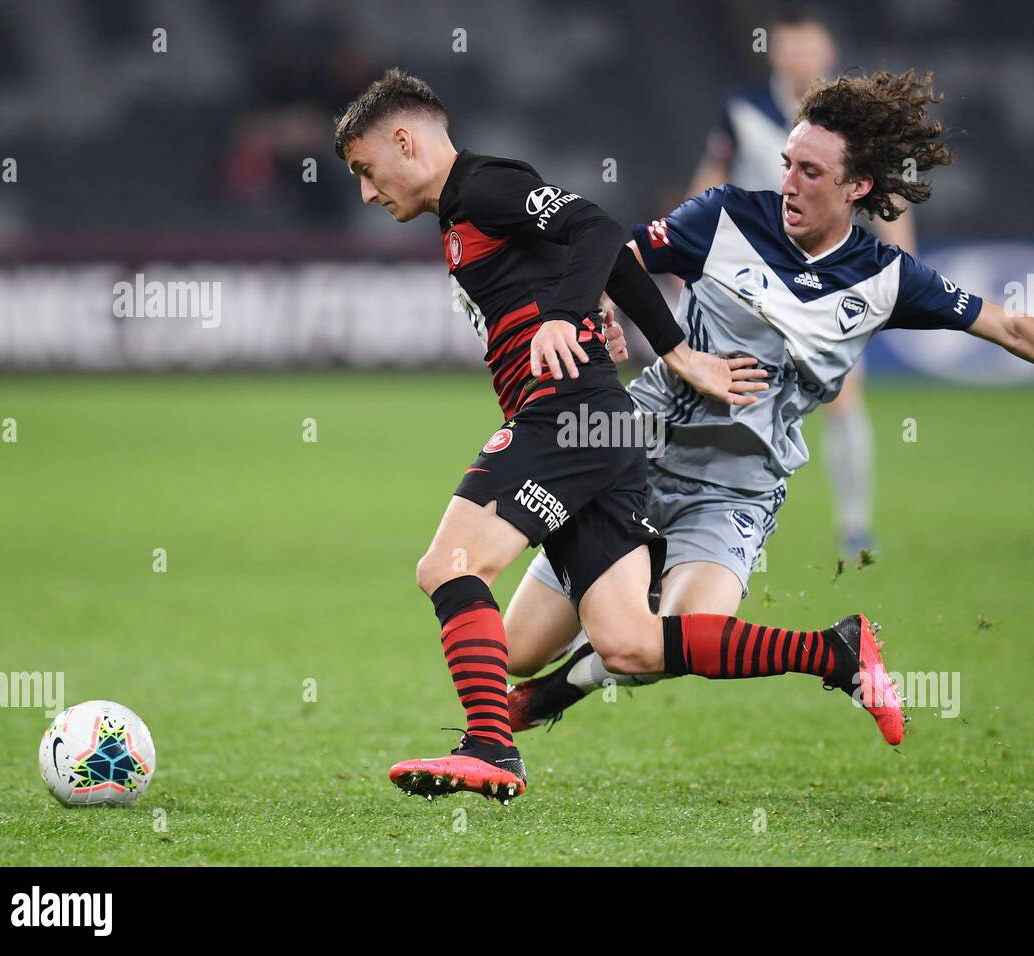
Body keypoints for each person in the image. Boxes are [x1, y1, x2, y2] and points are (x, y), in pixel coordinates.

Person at [504, 70, 1034, 733]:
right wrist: (593, 305)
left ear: (856, 188)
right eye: (788, 163)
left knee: (685, 637)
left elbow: (1013, 327)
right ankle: (550, 679)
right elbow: (616, 254)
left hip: (733, 492)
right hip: (637, 458)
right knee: (512, 650)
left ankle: (560, 692)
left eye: (811, 172)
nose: (789, 182)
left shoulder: (886, 279)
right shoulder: (724, 216)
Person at [334, 68, 910, 803]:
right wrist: (675, 351)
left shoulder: (480, 185)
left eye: (364, 169)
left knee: (448, 565)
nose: (365, 191)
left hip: (565, 417)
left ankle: (492, 747)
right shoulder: (461, 214)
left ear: (405, 141)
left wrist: (563, 318)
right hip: (600, 427)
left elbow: (599, 227)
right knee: (630, 644)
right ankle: (837, 653)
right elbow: (603, 252)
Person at [691, 7, 914, 556]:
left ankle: (854, 528)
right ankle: (721, 522)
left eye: (809, 47)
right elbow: (711, 177)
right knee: (730, 395)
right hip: (746, 281)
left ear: (828, 53)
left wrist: (903, 259)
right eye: (790, 47)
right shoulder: (742, 108)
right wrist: (686, 239)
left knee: (841, 395)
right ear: (776, 52)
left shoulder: (851, 123)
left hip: (829, 277)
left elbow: (888, 195)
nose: (800, 58)